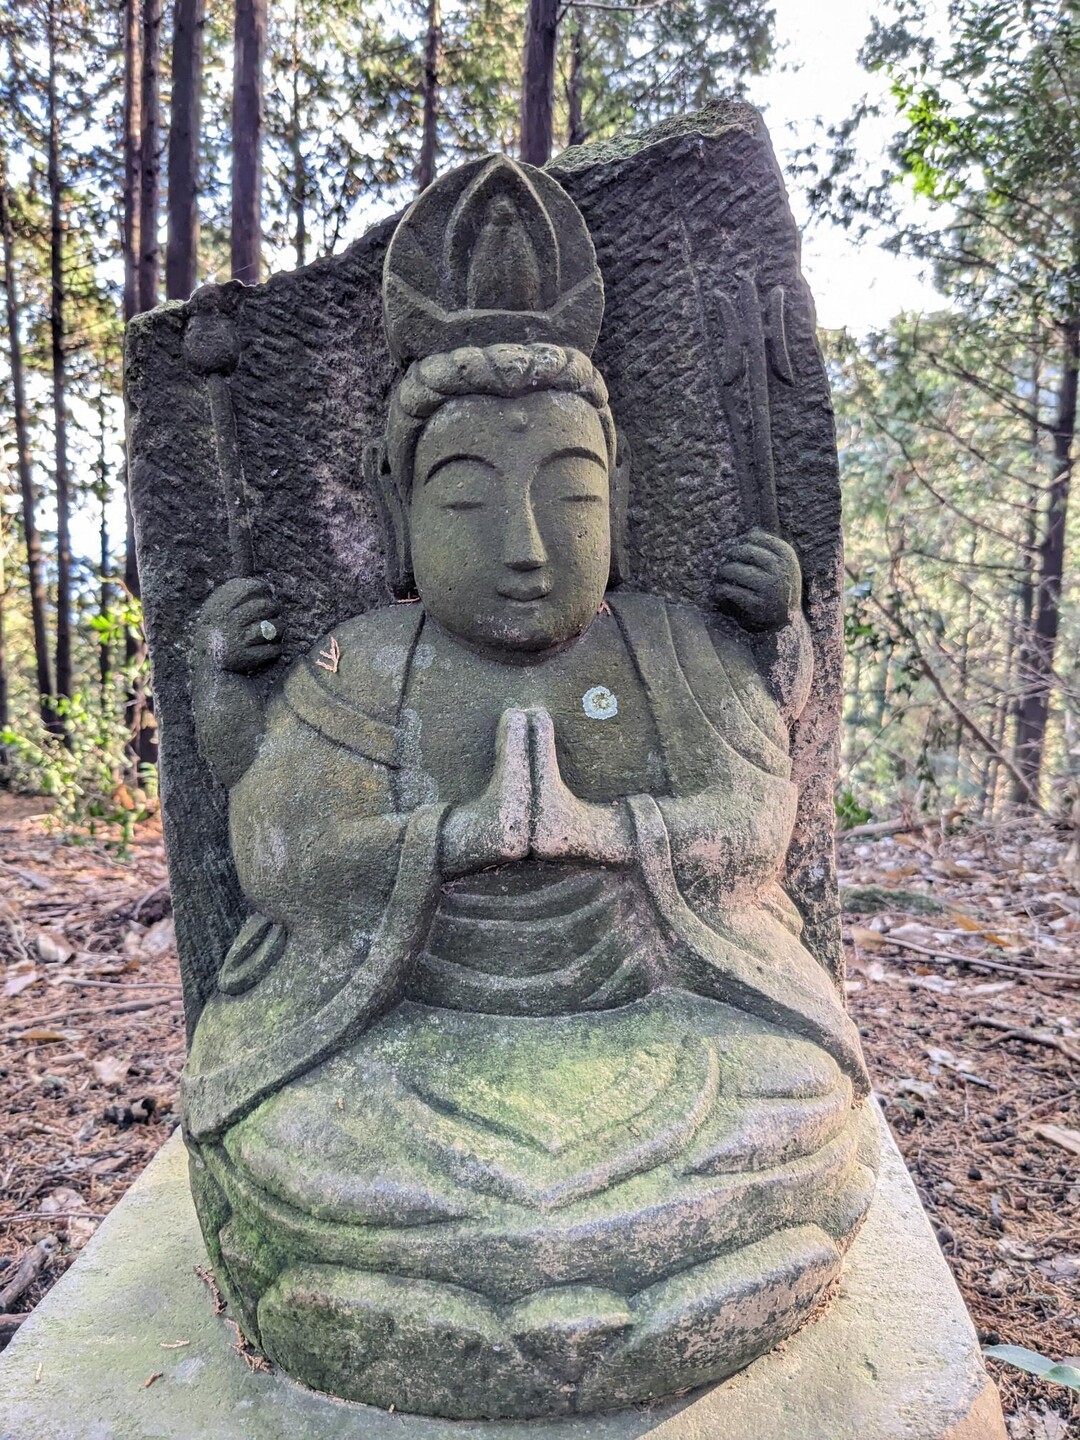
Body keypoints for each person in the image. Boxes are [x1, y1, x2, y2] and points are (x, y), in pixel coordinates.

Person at [181, 156, 877, 1419]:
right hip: (404, 1055)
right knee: (299, 1146)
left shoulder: (668, 647)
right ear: (396, 511)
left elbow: (759, 821)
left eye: (571, 494)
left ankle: (461, 1303)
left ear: (621, 493)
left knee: (798, 1102)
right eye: (467, 500)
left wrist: (613, 829)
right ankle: (658, 1286)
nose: (526, 547)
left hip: (668, 1037)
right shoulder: (365, 663)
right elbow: (281, 855)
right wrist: (441, 836)